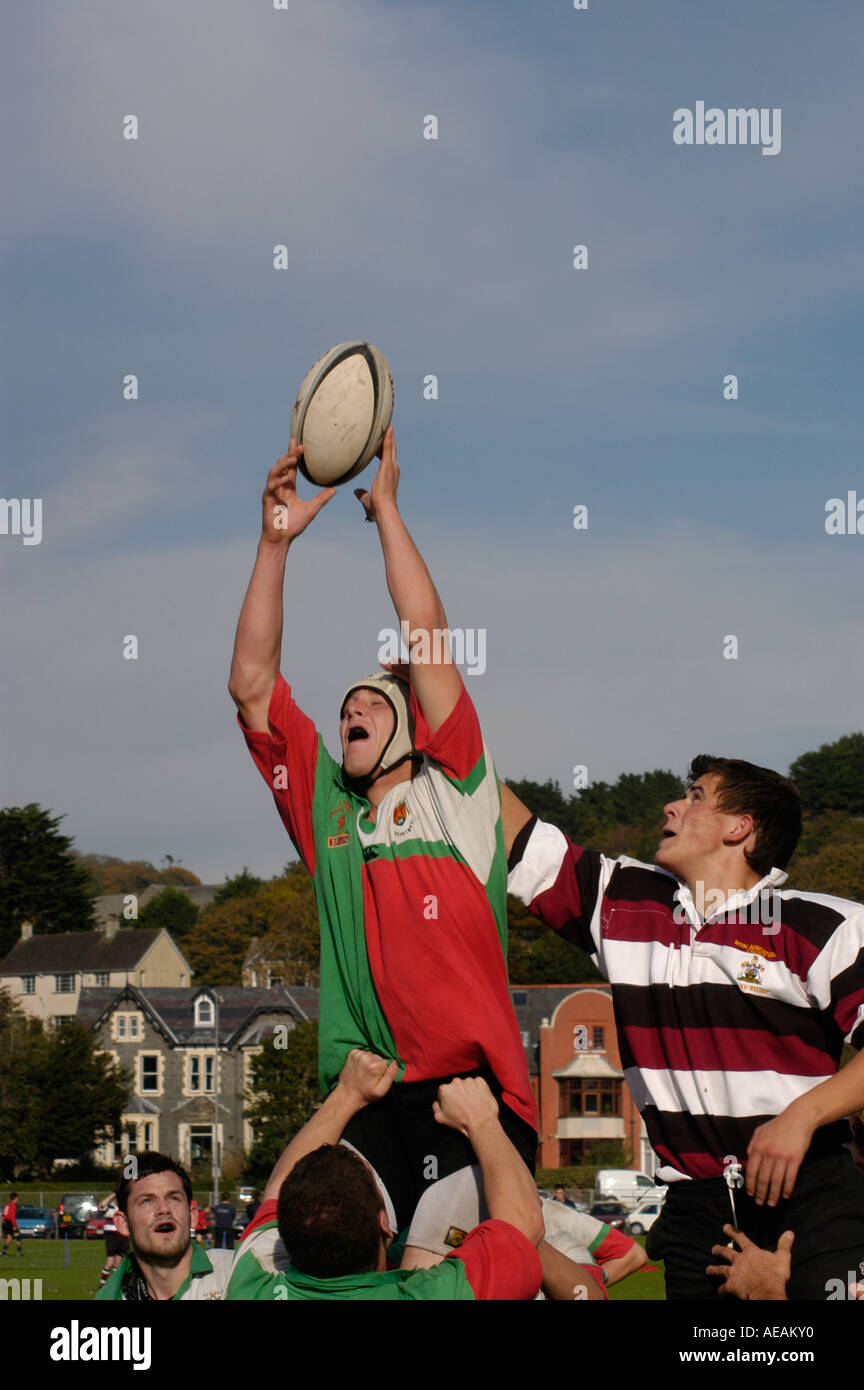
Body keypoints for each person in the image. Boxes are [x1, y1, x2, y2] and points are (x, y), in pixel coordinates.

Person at [228, 430, 538, 1266]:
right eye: (345, 706)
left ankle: (579, 1258)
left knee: (450, 1276)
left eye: (372, 699)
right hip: (364, 1091)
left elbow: (426, 631)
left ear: (415, 724)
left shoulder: (461, 791)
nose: (350, 711)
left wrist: (388, 515)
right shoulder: (330, 812)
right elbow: (253, 684)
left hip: (467, 1096)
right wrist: (273, 545)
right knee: (304, 1266)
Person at [501, 758, 864, 1300]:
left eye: (695, 796)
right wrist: (426, 723)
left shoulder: (823, 924)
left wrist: (801, 1117)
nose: (671, 806)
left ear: (739, 827)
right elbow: (515, 833)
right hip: (697, 1212)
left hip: (812, 1195)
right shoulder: (623, 903)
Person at [226, 1048, 599, 1301]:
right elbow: (522, 1225)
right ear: (384, 1223)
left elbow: (276, 1189)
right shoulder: (431, 1293)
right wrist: (481, 1120)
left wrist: (344, 1097)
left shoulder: (253, 1285)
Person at [96, 1153, 233, 1301]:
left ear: (192, 1216)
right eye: (147, 1201)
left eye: (174, 1198)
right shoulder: (110, 1296)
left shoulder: (235, 1272)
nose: (163, 1209)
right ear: (123, 1224)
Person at [97, 1192, 128, 1287]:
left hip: (122, 1236)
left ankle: (115, 1284)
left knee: (118, 1262)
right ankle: (102, 1284)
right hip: (111, 1236)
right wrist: (112, 1195)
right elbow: (101, 1206)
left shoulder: (124, 1208)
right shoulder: (109, 1207)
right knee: (110, 1262)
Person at [1, 1192, 22, 1257]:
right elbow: (12, 1216)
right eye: (17, 1197)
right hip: (9, 1222)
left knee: (9, 1237)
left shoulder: (7, 1204)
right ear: (15, 1198)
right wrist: (15, 1225)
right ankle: (20, 1252)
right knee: (17, 1235)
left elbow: (3, 1214)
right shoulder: (13, 1205)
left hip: (4, 1222)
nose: (18, 1199)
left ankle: (3, 1252)